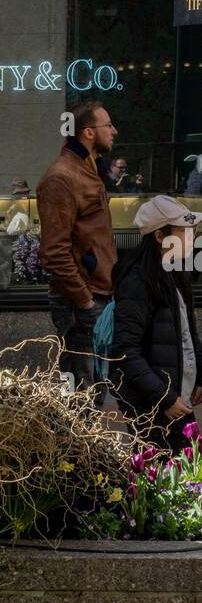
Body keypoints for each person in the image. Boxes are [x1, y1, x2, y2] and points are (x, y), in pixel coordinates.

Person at [37, 99, 118, 402]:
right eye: (107, 125)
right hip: (82, 300)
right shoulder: (62, 177)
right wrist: (84, 301)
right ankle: (75, 451)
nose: (114, 130)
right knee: (81, 399)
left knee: (94, 391)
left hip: (98, 296)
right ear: (87, 132)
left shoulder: (88, 169)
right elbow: (53, 252)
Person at [111, 195, 202, 452]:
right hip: (154, 404)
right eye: (184, 231)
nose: (191, 237)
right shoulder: (138, 280)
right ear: (160, 237)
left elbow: (188, 333)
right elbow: (125, 350)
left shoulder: (175, 273)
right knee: (160, 480)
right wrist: (164, 398)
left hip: (177, 399)